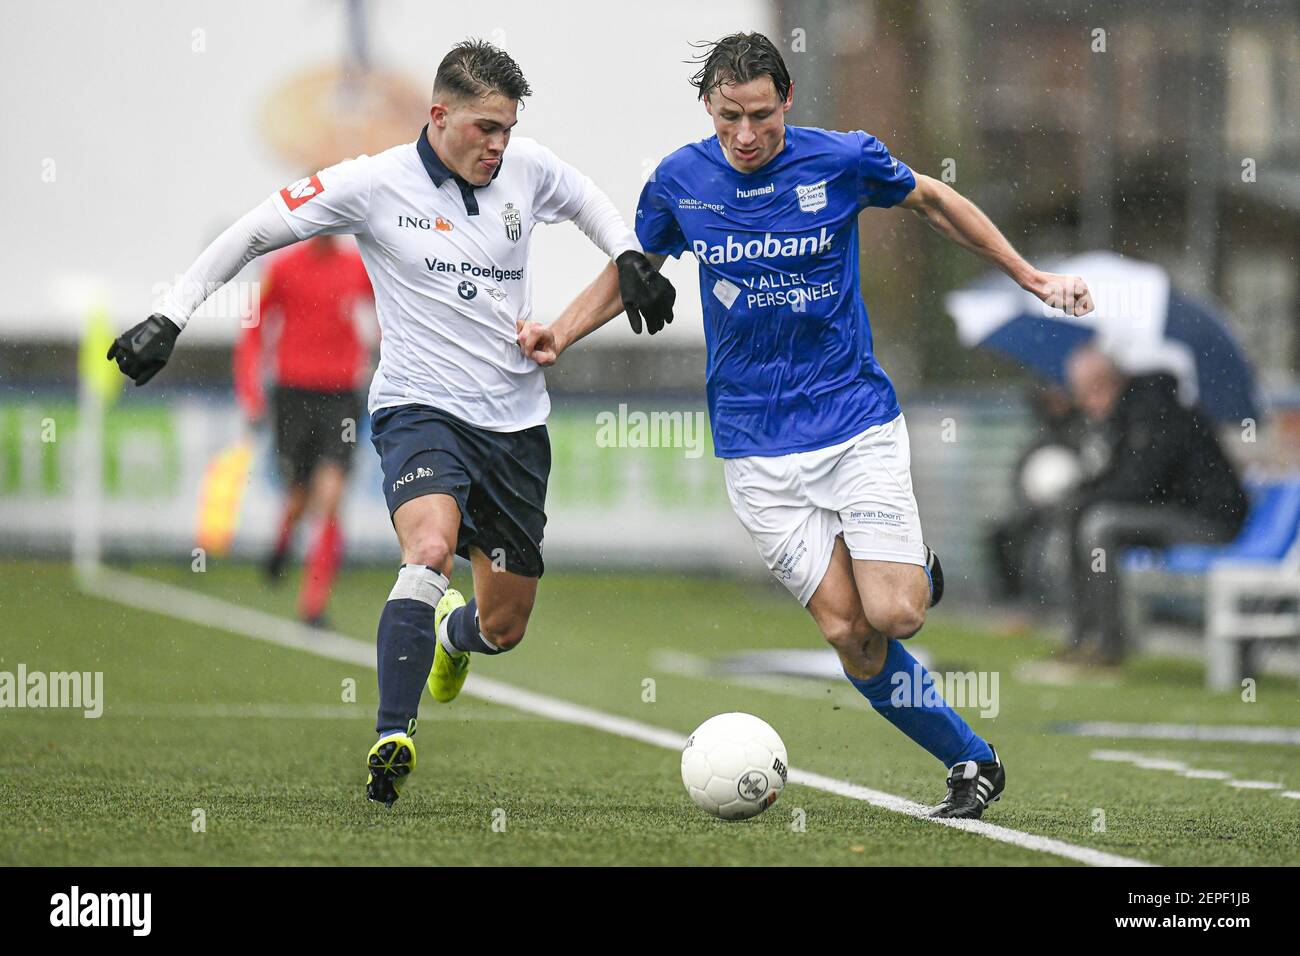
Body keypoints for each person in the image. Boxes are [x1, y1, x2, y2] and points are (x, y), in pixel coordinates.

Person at [518, 32, 1093, 818]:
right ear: (709, 109)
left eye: (760, 115)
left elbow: (933, 199)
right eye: (728, 119)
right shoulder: (680, 182)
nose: (745, 136)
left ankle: (914, 569)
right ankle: (971, 760)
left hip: (853, 419)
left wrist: (1028, 275)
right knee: (850, 633)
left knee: (897, 615)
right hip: (755, 446)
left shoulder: (844, 159)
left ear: (786, 101)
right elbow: (632, 271)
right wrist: (559, 332)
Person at [107, 39, 676, 806]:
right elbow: (254, 228)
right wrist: (169, 317)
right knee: (430, 548)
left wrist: (630, 255)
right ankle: (391, 735)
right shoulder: (373, 184)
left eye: (507, 128)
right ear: (438, 116)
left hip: (514, 425)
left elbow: (588, 201)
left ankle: (451, 637)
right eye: (484, 129)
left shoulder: (526, 168)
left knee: (504, 625)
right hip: (419, 409)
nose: (499, 145)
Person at [1059, 345, 1248, 665]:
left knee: (1099, 525)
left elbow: (1141, 485)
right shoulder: (1132, 414)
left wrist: (1084, 500)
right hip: (1179, 515)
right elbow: (1122, 478)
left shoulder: (1155, 410)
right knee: (1082, 516)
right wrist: (1079, 498)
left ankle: (1107, 649)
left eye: (1082, 391)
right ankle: (1083, 638)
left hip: (1211, 522)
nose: (1081, 402)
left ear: (1101, 385)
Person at [233, 234, 374, 626]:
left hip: (342, 396)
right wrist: (250, 389)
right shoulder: (282, 267)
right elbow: (253, 328)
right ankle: (281, 545)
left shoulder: (357, 265)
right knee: (298, 494)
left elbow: (391, 308)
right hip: (293, 393)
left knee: (330, 493)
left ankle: (313, 603)